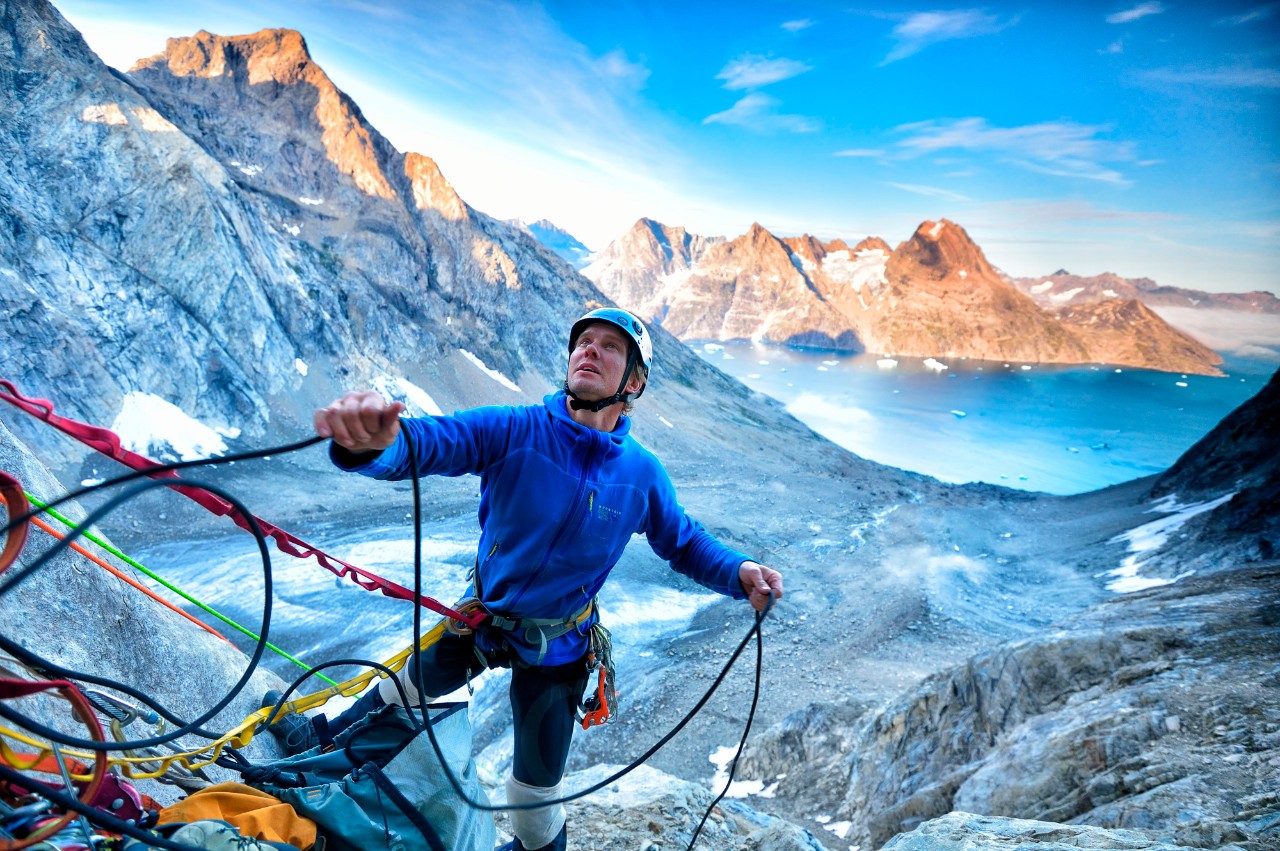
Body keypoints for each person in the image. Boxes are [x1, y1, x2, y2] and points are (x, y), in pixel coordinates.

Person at [266, 307, 784, 851]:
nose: (589, 350)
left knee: (533, 806)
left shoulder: (641, 475)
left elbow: (682, 540)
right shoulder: (516, 430)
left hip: (559, 643)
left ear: (633, 381)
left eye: (610, 346)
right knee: (403, 690)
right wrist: (368, 443)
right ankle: (320, 740)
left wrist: (739, 572)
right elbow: (427, 443)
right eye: (583, 341)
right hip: (483, 617)